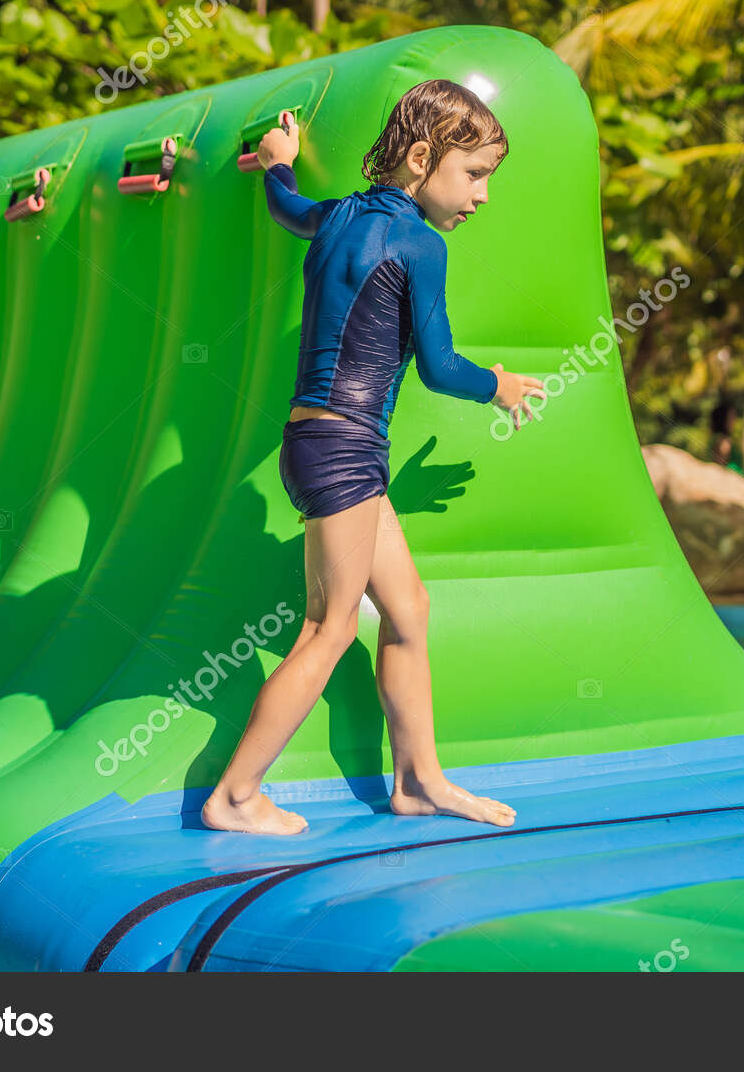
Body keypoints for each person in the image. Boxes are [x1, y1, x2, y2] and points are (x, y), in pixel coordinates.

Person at [201, 80, 546, 835]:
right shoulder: (421, 244)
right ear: (423, 158)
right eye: (475, 174)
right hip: (346, 447)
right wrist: (502, 385)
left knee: (409, 609)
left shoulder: (338, 217)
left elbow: (288, 209)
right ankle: (234, 794)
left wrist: (277, 164)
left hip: (326, 445)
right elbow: (440, 366)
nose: (482, 196)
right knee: (327, 629)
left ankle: (418, 781)